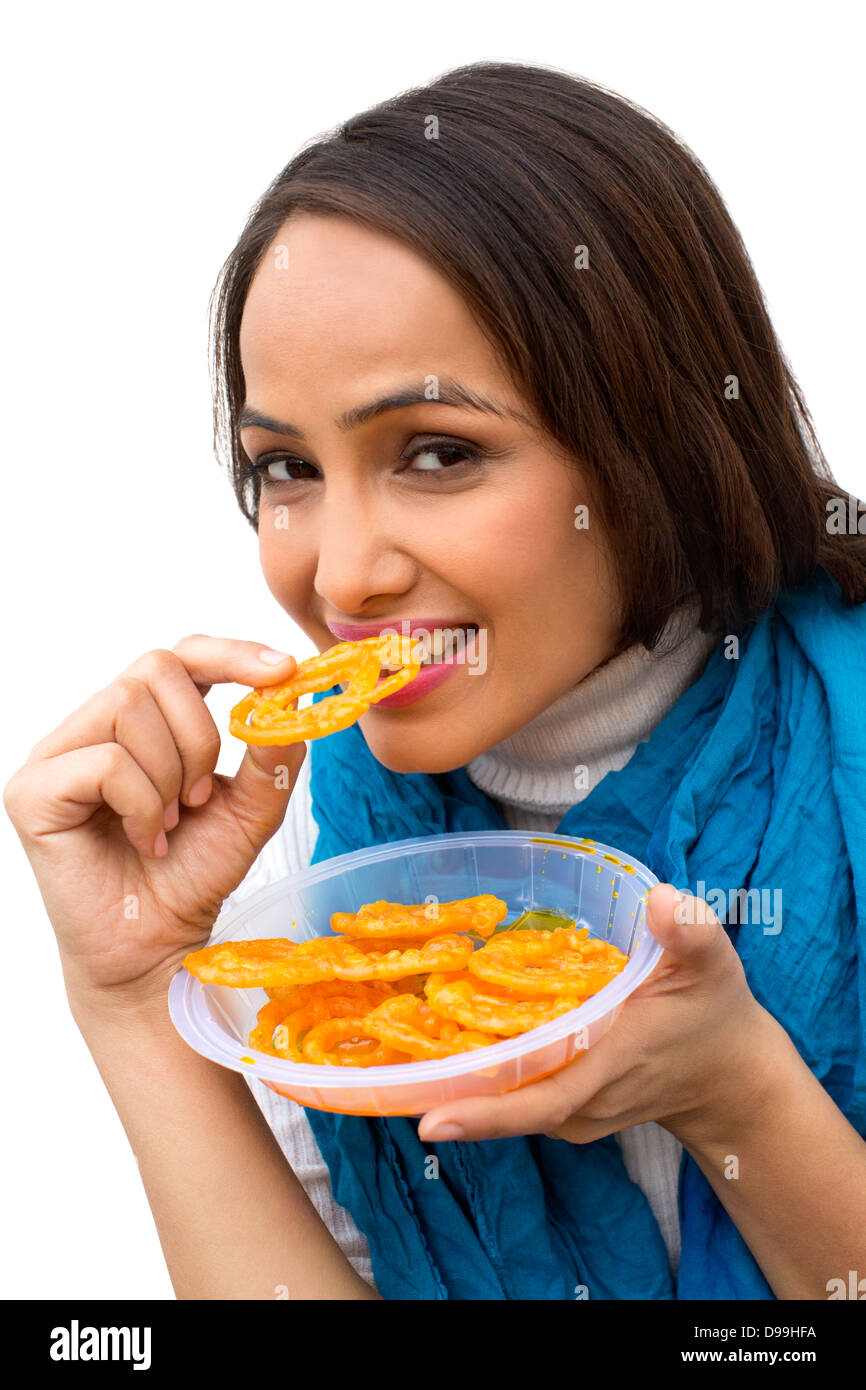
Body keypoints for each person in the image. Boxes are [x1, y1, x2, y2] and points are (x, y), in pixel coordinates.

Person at [6, 60, 866, 1301]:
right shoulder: (328, 851)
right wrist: (135, 992)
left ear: (656, 439)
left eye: (436, 452)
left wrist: (737, 1090)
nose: (340, 578)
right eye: (285, 469)